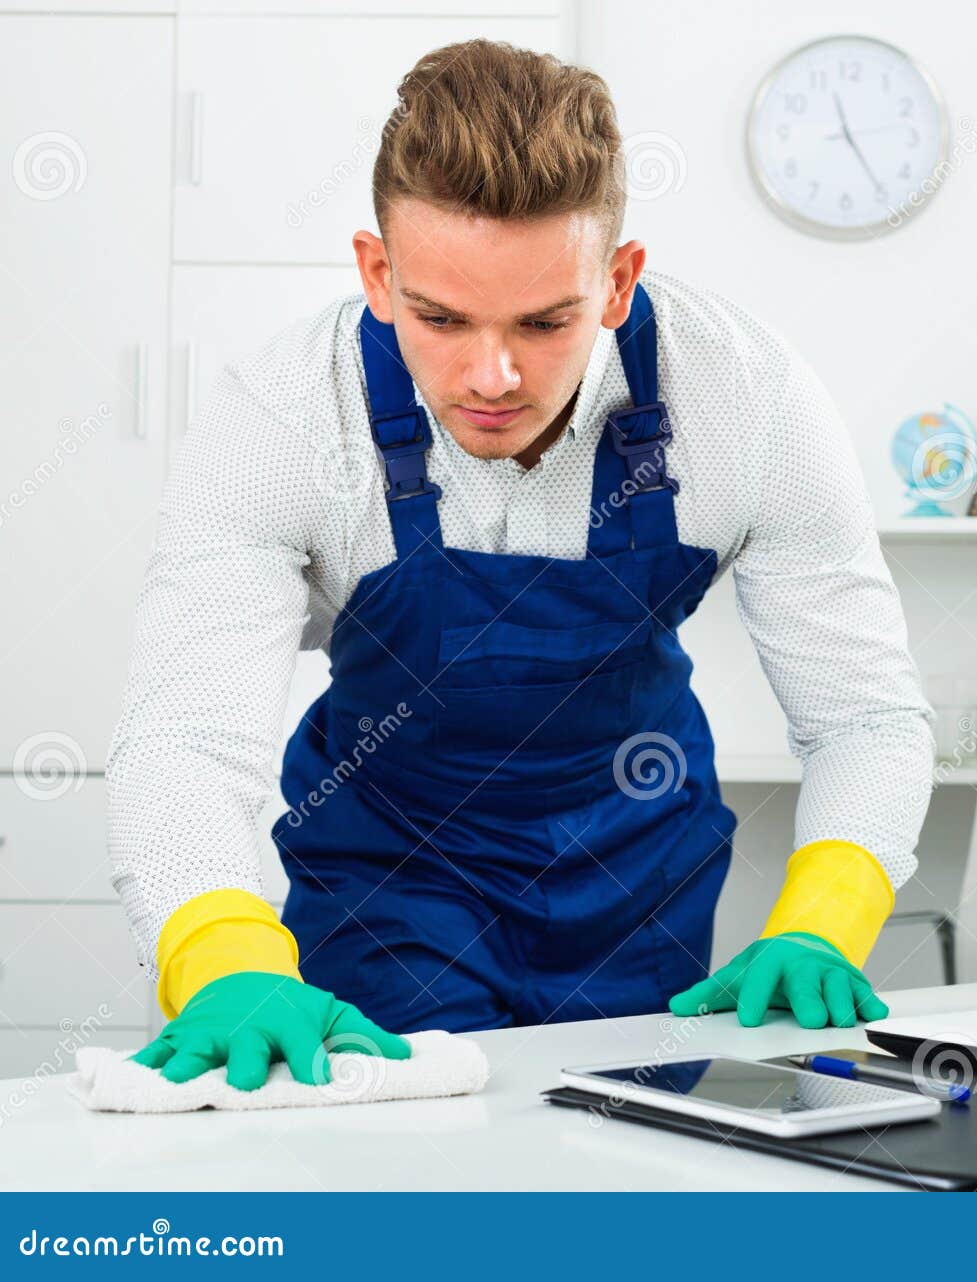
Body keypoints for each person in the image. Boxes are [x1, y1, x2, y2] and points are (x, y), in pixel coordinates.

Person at [107, 39, 934, 1091]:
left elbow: (864, 716)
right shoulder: (281, 414)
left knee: (618, 1189)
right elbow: (184, 738)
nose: (490, 375)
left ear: (618, 282)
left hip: (633, 882)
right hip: (386, 877)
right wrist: (221, 956)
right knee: (412, 1195)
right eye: (441, 319)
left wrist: (825, 922)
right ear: (376, 273)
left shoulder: (748, 399)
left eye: (544, 323)